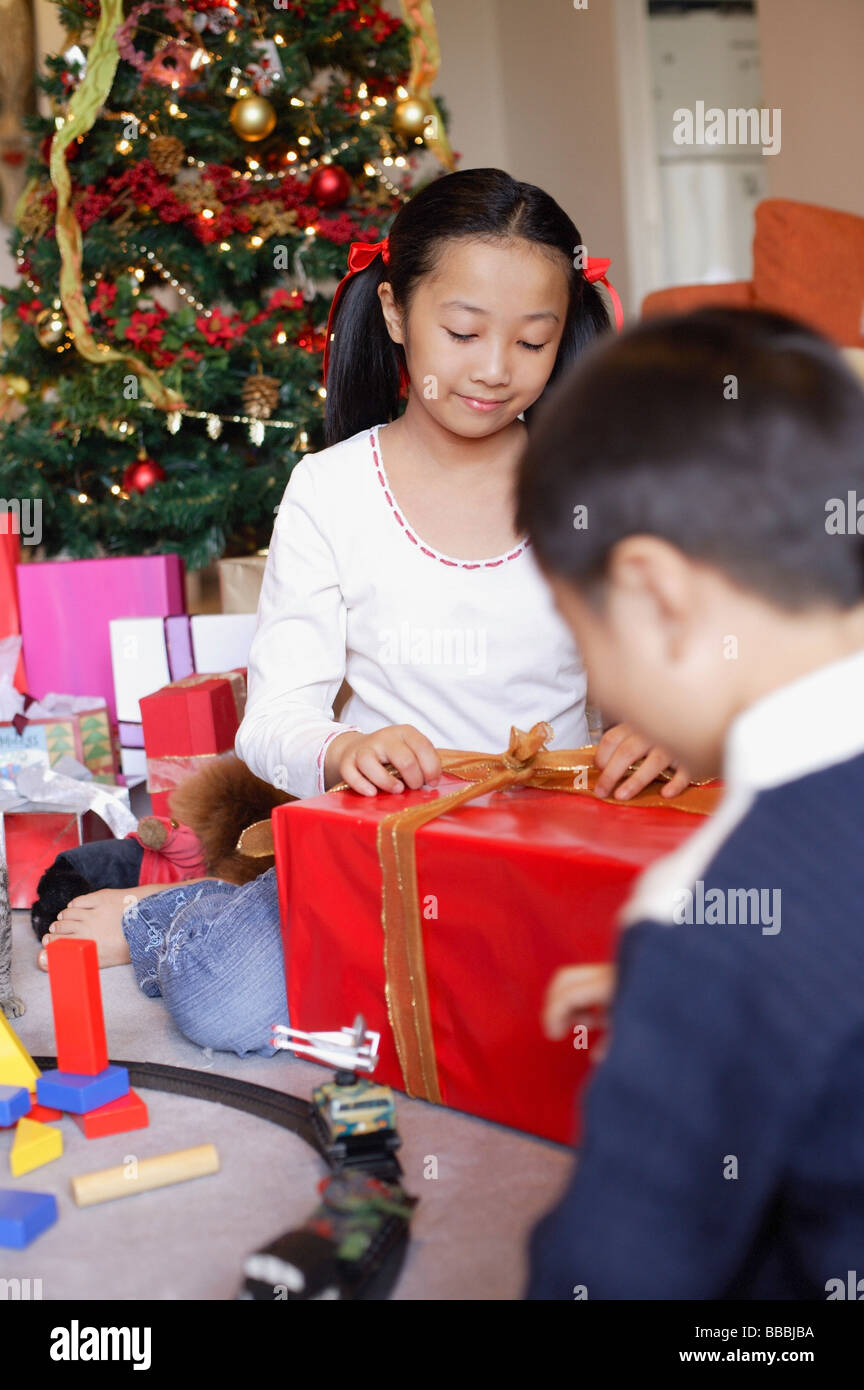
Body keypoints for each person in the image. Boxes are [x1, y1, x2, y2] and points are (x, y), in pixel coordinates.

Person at [40, 168, 688, 1053]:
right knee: (235, 1004)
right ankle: (173, 915)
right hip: (381, 848)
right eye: (462, 331)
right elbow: (273, 721)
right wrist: (345, 750)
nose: (495, 371)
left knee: (667, 1001)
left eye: (533, 342)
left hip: (551, 845)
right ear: (393, 315)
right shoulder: (332, 490)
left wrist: (661, 728)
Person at [517, 307, 864, 1300]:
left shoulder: (710, 918)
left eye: (581, 634)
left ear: (658, 599)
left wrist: (687, 998)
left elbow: (609, 1275)